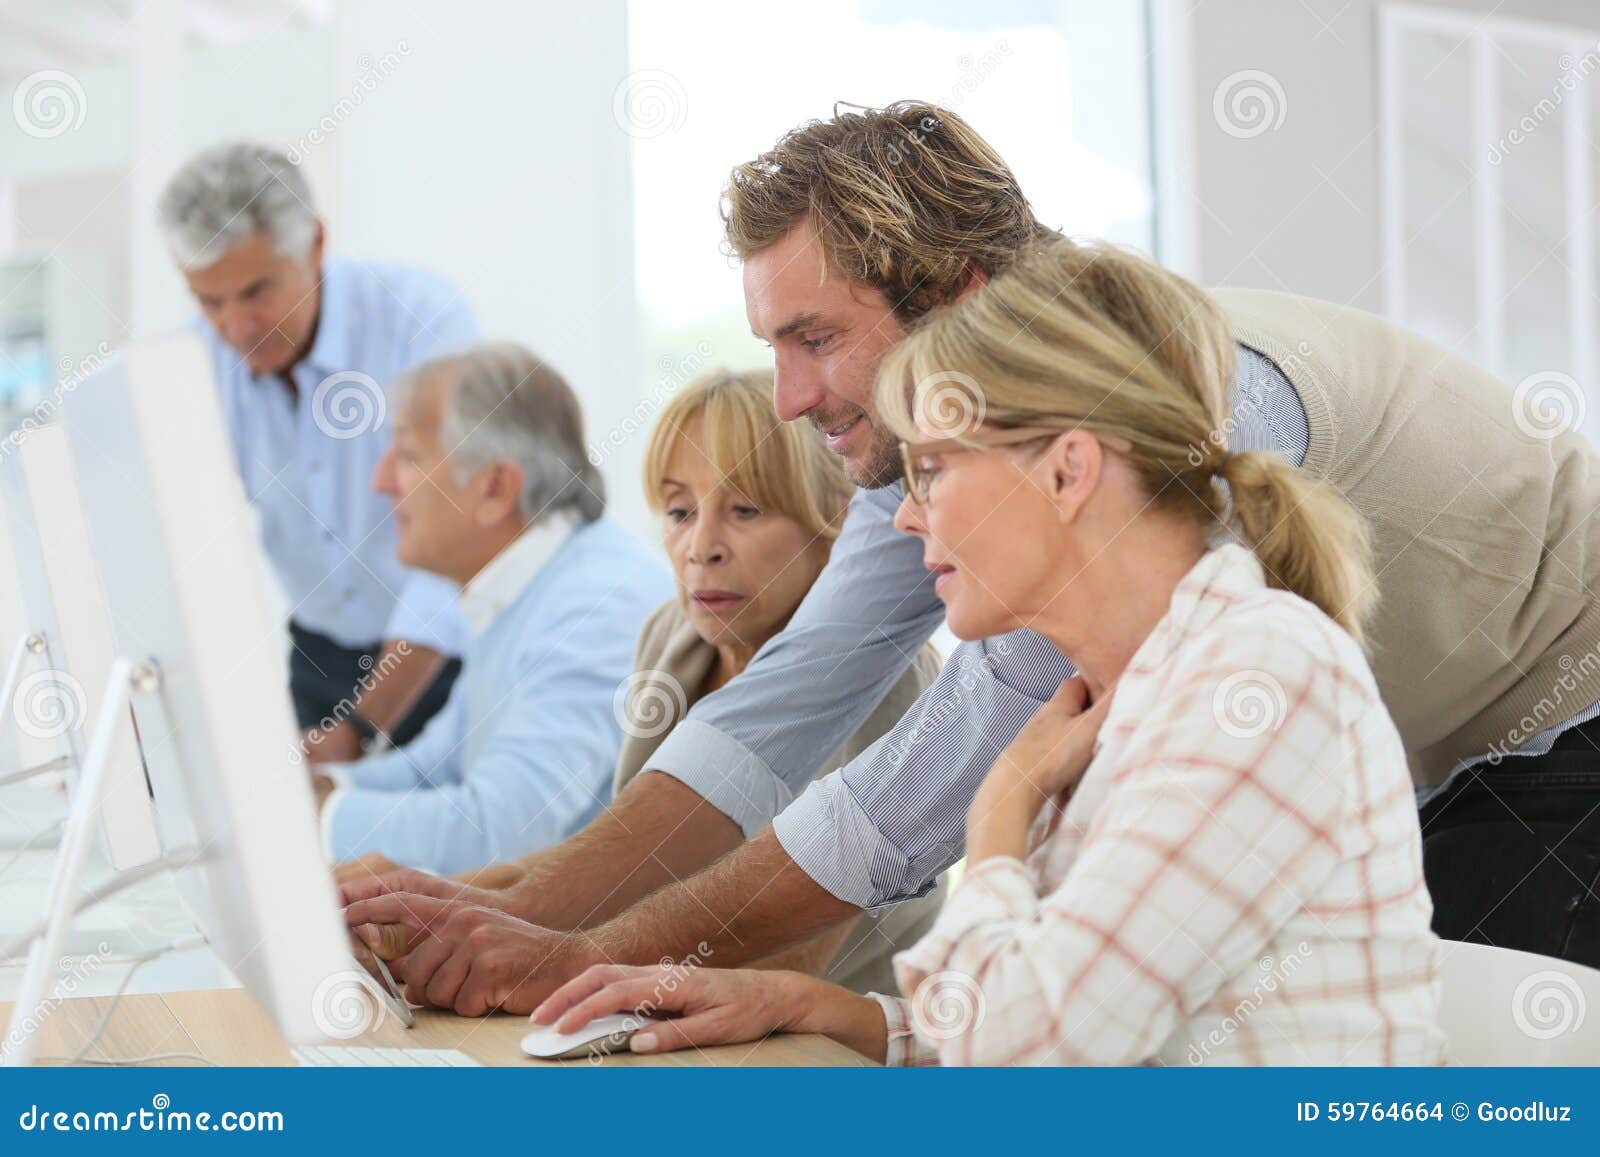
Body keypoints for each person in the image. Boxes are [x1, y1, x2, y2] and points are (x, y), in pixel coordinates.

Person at [342, 102, 1600, 1017]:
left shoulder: (1121, 436)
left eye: (815, 337)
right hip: (1437, 742)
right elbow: (787, 702)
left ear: (959, 289)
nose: (784, 396)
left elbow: (913, 797)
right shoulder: (951, 446)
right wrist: (506, 901)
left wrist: (567, 953)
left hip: (1567, 725)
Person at [525, 240, 1446, 1065]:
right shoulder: (1110, 694)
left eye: (932, 468)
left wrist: (998, 816)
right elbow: (1063, 995)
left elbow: (1035, 1051)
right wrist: (823, 1007)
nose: (910, 513)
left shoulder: (1255, 679)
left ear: (1067, 471)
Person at [339, 368, 944, 993]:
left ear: (840, 528)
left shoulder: (887, 676)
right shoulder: (672, 637)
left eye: (746, 510)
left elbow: (787, 958)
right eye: (680, 510)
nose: (700, 547)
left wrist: (538, 952)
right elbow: (629, 861)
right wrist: (439, 901)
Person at [157, 141, 473, 761]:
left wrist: (361, 728)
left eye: (256, 292)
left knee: (439, 850)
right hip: (315, 657)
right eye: (208, 300)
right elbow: (182, 548)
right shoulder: (192, 361)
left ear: (317, 244)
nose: (235, 327)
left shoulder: (420, 319)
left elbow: (455, 550)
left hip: (440, 657)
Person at [315, 343, 670, 874]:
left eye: (408, 455)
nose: (382, 481)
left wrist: (319, 814)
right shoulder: (526, 585)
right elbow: (436, 767)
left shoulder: (595, 604)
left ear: (495, 488)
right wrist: (317, 786)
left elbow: (498, 832)